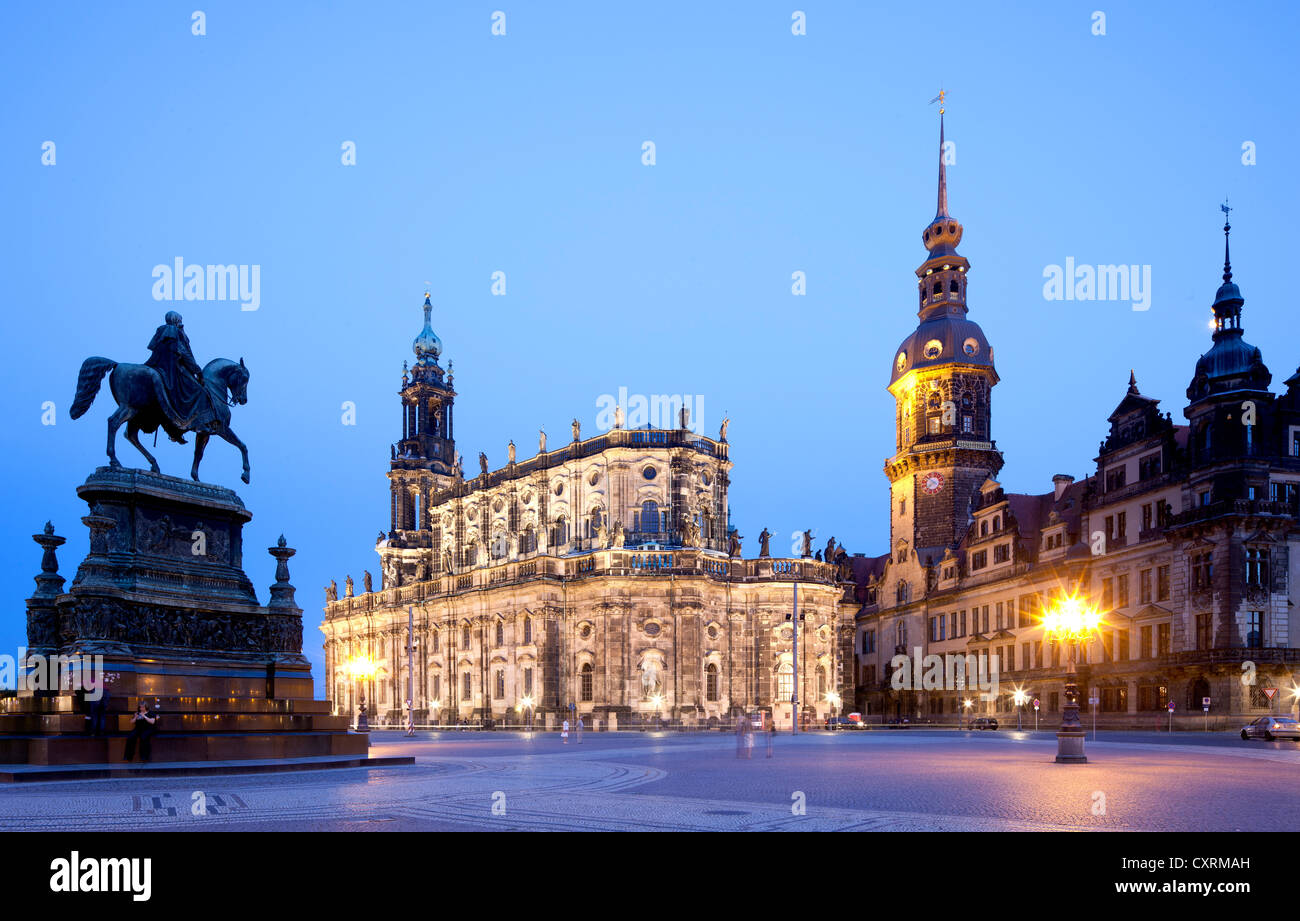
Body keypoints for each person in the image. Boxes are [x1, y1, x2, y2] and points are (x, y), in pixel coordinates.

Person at [144, 311, 217, 441]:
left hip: (157, 365)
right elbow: (183, 352)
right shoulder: (175, 331)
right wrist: (197, 370)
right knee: (199, 391)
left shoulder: (161, 330)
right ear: (176, 320)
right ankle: (199, 425)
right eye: (180, 320)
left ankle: (175, 429)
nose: (182, 323)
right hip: (173, 368)